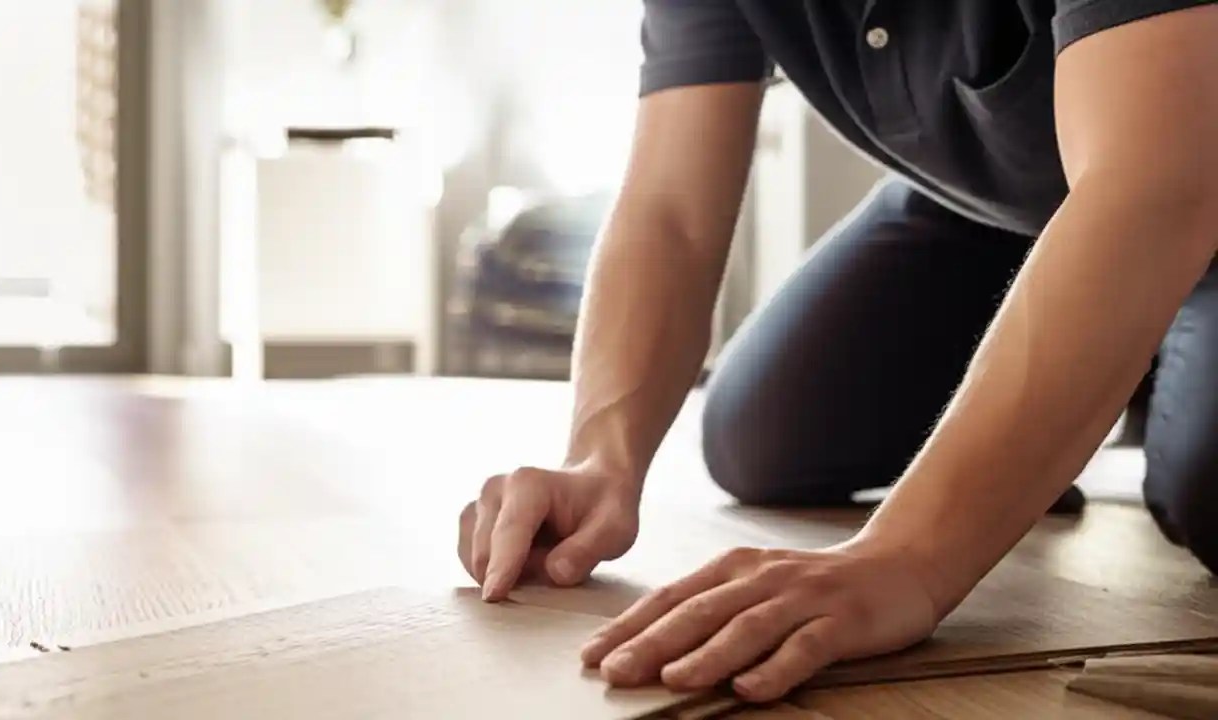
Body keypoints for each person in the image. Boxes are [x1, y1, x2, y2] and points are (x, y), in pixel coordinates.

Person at [457, 0, 1218, 703]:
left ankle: (1124, 350)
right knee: (766, 435)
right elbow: (670, 210)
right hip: (998, 198)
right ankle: (1095, 358)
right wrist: (602, 459)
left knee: (1208, 483)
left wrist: (909, 556)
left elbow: (1157, 183)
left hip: (1180, 159)